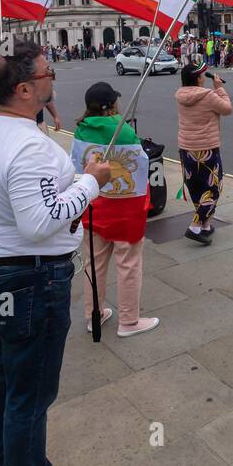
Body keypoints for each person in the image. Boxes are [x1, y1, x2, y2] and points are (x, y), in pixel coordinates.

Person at [0, 41, 111, 466]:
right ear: (22, 89)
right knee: (31, 392)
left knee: (3, 368)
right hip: (31, 279)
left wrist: (64, 183)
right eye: (46, 73)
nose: (52, 78)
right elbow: (42, 222)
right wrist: (90, 183)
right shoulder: (29, 146)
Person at [71, 82, 160, 337]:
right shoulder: (122, 131)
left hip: (94, 206)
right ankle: (129, 321)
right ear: (111, 105)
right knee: (128, 263)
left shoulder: (81, 130)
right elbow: (140, 164)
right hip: (123, 211)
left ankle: (93, 315)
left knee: (94, 263)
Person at [175, 60, 232, 245]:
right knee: (214, 188)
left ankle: (205, 225)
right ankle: (195, 226)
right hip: (207, 149)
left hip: (187, 149)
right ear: (199, 79)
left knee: (197, 188)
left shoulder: (180, 95)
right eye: (201, 75)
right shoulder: (208, 95)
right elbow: (227, 109)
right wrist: (219, 88)